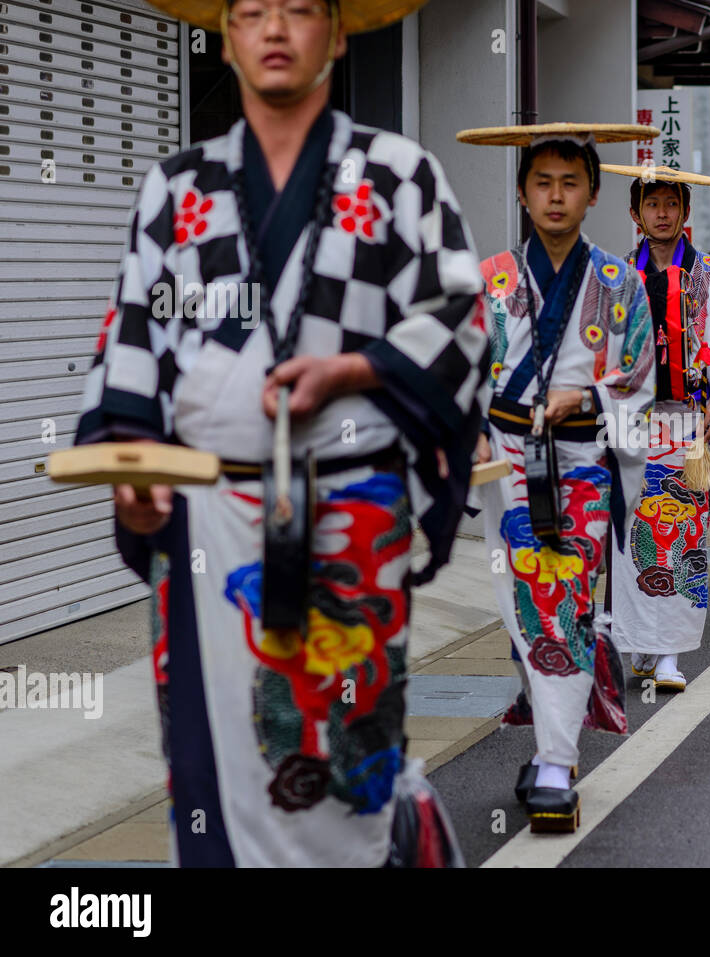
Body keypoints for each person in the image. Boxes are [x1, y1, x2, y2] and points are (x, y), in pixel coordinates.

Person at [76, 0, 487, 866]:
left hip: (348, 512)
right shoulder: (176, 189)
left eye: (299, 8)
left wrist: (357, 368)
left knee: (343, 750)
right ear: (223, 34)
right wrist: (135, 470)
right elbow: (131, 345)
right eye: (250, 10)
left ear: (337, 34)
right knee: (208, 752)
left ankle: (390, 835)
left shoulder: (396, 175)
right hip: (203, 515)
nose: (273, 28)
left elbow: (460, 317)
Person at [460, 122, 658, 832]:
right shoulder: (491, 279)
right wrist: (474, 428)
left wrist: (590, 397)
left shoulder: (619, 281)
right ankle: (554, 728)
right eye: (541, 181)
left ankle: (552, 760)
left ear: (594, 194)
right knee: (519, 609)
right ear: (521, 192)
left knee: (564, 600)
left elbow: (637, 376)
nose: (555, 195)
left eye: (570, 182)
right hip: (507, 462)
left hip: (579, 460)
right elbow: (462, 373)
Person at [605, 165, 710, 693]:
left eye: (672, 204)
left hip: (689, 423)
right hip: (632, 423)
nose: (663, 214)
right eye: (652, 205)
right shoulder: (617, 274)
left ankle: (669, 654)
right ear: (635, 214)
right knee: (630, 538)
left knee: (684, 536)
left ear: (686, 212)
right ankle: (641, 645)